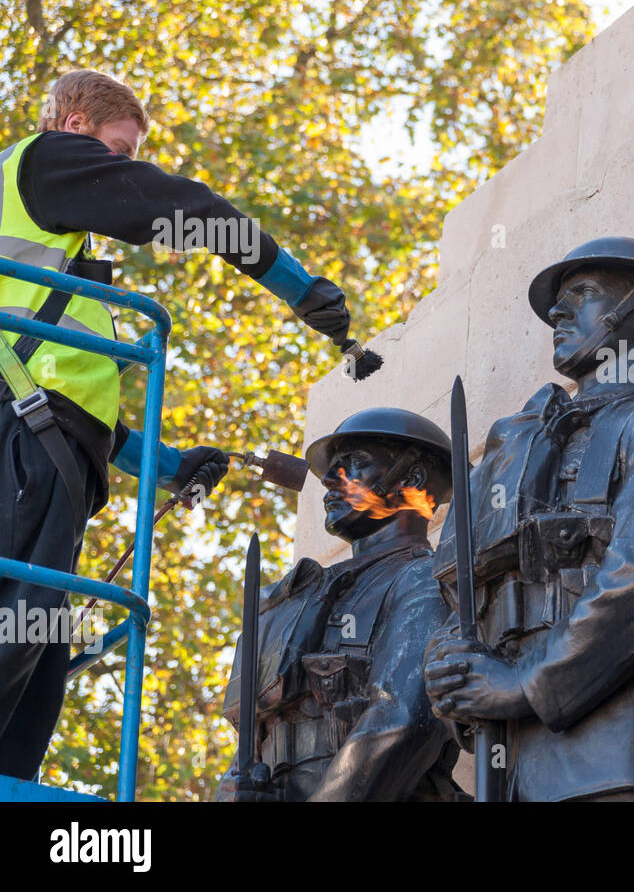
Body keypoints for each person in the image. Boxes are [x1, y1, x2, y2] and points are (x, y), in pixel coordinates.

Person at [0, 69, 366, 779]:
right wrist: (294, 283)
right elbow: (180, 205)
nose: (122, 170)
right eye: (118, 150)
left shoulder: (51, 265)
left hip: (41, 448)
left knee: (34, 662)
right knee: (16, 633)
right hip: (25, 450)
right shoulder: (46, 159)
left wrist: (168, 464)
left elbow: (72, 411)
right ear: (74, 124)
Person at [422, 237, 634, 801]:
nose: (557, 311)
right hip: (512, 763)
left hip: (620, 754)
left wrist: (528, 684)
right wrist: (450, 671)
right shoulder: (514, 444)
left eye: (585, 294)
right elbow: (456, 590)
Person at [217, 408, 462, 801]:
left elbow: (401, 720)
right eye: (332, 468)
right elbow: (256, 741)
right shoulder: (299, 598)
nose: (330, 480)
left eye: (353, 464)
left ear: (411, 479)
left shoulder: (424, 581)